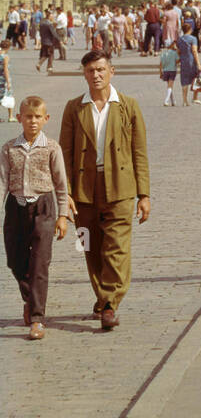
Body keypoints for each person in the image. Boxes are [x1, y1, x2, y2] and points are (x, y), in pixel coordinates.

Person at [59, 49, 150, 329]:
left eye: (101, 69)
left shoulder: (128, 105)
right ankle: (102, 296)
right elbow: (64, 154)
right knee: (90, 246)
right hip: (85, 190)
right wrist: (66, 196)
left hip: (120, 187)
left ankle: (110, 303)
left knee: (117, 247)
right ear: (84, 74)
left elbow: (139, 152)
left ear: (112, 71)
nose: (96, 75)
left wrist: (144, 194)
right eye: (90, 71)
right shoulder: (75, 107)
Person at [2, 95, 69, 339]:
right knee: (16, 261)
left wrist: (62, 215)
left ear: (46, 119)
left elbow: (61, 184)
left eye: (37, 117)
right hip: (15, 208)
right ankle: (30, 299)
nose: (32, 122)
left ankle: (37, 319)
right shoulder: (9, 148)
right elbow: (2, 181)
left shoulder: (52, 147)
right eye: (28, 117)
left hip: (43, 208)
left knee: (39, 262)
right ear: (19, 118)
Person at [177, 20, 201, 107]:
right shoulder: (193, 39)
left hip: (183, 61)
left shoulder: (179, 39)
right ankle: (195, 98)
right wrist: (199, 63)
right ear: (190, 29)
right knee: (197, 78)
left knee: (184, 81)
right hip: (192, 60)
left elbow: (178, 51)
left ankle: (185, 101)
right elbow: (194, 51)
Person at [0, 40, 14, 123]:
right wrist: (8, 82)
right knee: (9, 96)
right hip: (4, 79)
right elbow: (5, 69)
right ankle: (10, 116)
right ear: (8, 47)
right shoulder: (5, 56)